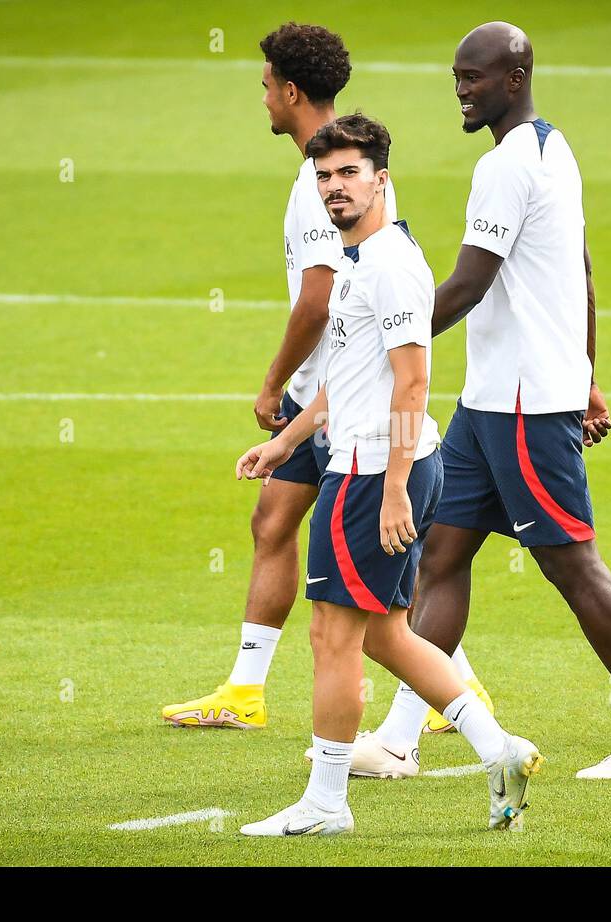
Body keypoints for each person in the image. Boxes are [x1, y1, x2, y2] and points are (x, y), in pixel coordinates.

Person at [360, 22, 611, 780]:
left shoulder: (508, 168)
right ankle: (402, 736)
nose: (460, 91)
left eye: (472, 78)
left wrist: (385, 346)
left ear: (513, 79)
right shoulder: (553, 146)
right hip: (490, 404)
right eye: (454, 77)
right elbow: (580, 269)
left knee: (569, 561)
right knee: (440, 555)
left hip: (524, 406)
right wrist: (589, 372)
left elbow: (468, 285)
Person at [163, 23, 493, 737]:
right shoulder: (341, 166)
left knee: (355, 613)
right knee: (281, 527)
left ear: (288, 89)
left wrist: (273, 388)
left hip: (344, 403)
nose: (263, 102)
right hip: (338, 399)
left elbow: (319, 295)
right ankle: (250, 689)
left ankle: (448, 707)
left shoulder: (324, 187)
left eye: (264, 88)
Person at [234, 114, 540, 836]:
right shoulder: (359, 262)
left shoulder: (394, 266)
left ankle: (327, 802)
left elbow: (412, 382)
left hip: (375, 472)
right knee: (384, 635)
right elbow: (353, 375)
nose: (335, 187)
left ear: (381, 179)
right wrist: (289, 441)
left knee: (332, 639)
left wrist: (395, 484)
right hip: (377, 462)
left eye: (349, 173)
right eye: (325, 176)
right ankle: (500, 751)